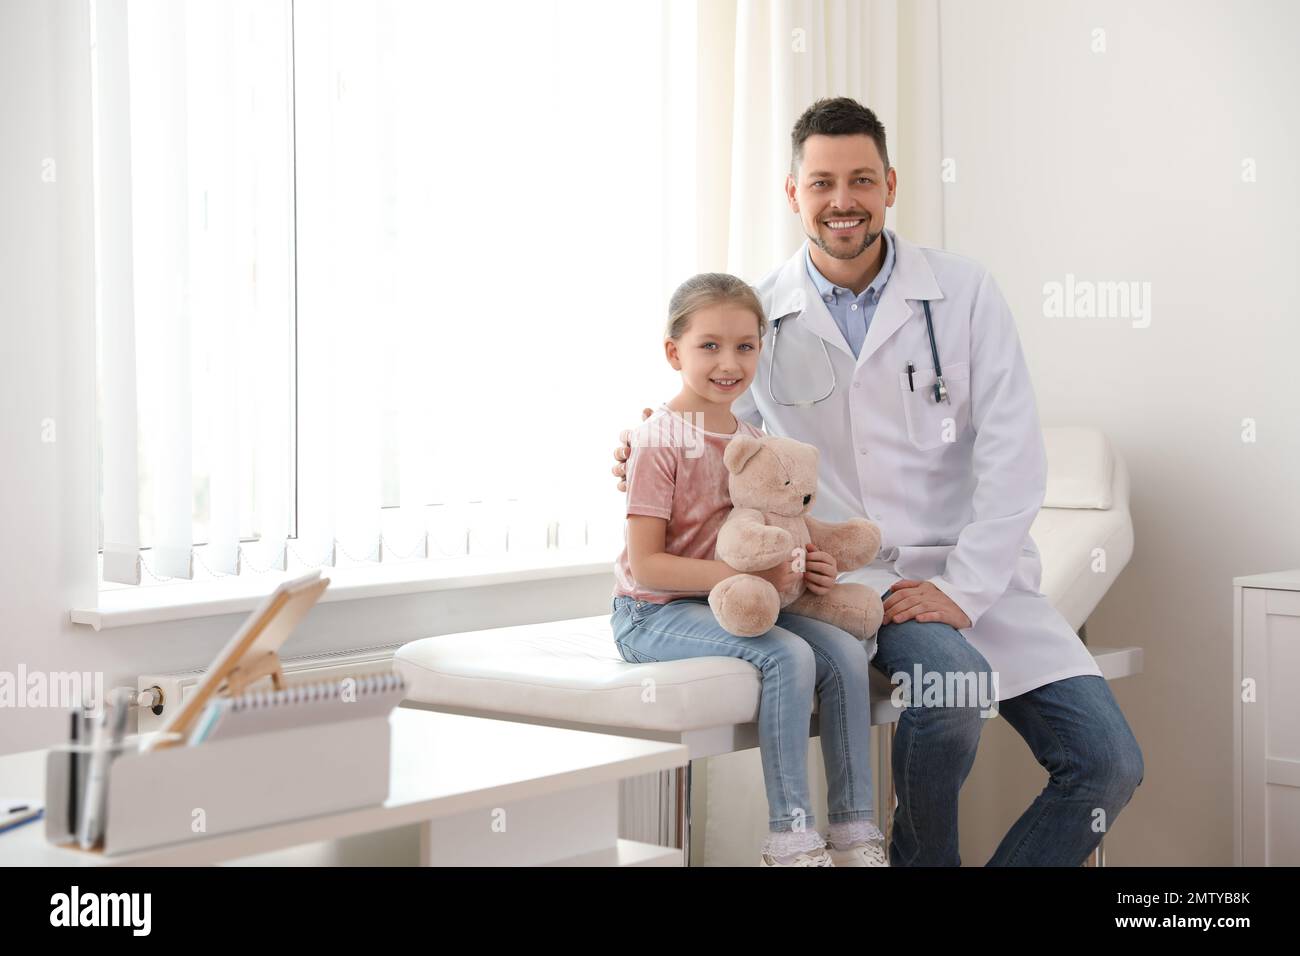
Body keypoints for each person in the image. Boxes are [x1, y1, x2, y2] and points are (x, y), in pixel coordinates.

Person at [615, 98, 1143, 866]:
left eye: (861, 179)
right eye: (822, 182)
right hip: (857, 578)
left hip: (977, 575)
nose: (842, 201)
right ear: (792, 193)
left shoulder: (963, 293)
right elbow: (720, 428)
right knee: (953, 694)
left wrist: (966, 586)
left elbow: (1013, 453)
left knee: (1106, 765)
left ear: (890, 186)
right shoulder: (763, 317)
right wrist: (644, 438)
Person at [611, 271, 887, 867]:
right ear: (673, 351)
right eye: (708, 345)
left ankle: (854, 832)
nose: (727, 361)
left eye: (744, 345)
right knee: (787, 655)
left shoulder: (758, 441)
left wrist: (806, 565)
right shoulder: (656, 441)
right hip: (653, 611)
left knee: (840, 651)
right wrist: (747, 580)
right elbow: (646, 563)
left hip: (737, 601)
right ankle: (790, 839)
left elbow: (780, 527)